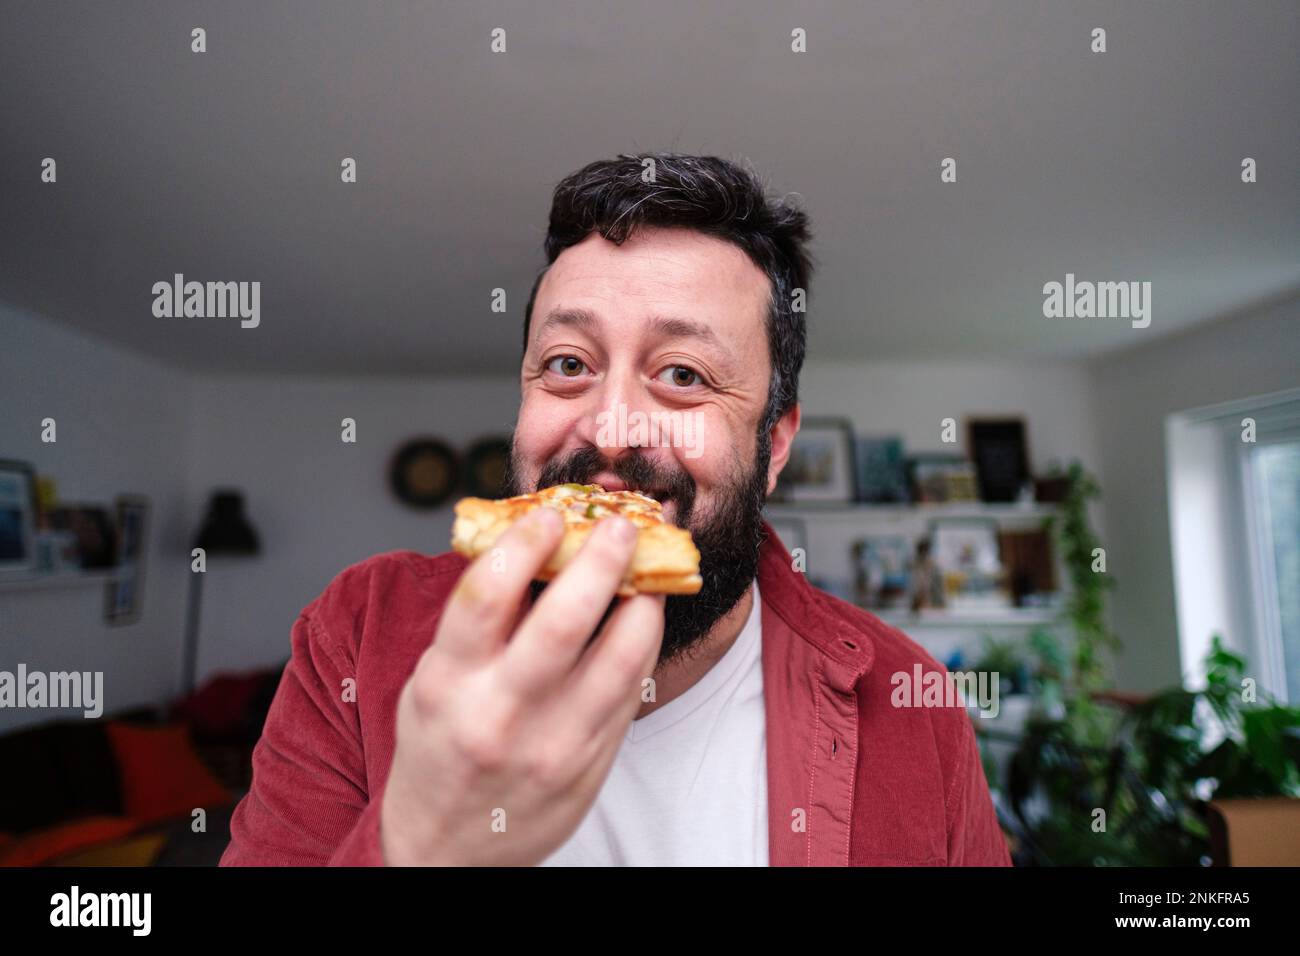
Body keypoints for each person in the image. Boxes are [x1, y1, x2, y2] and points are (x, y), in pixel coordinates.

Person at [220, 153, 1010, 866]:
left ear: (774, 446)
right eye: (568, 364)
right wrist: (424, 847)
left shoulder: (915, 701)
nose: (611, 427)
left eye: (684, 374)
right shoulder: (358, 634)